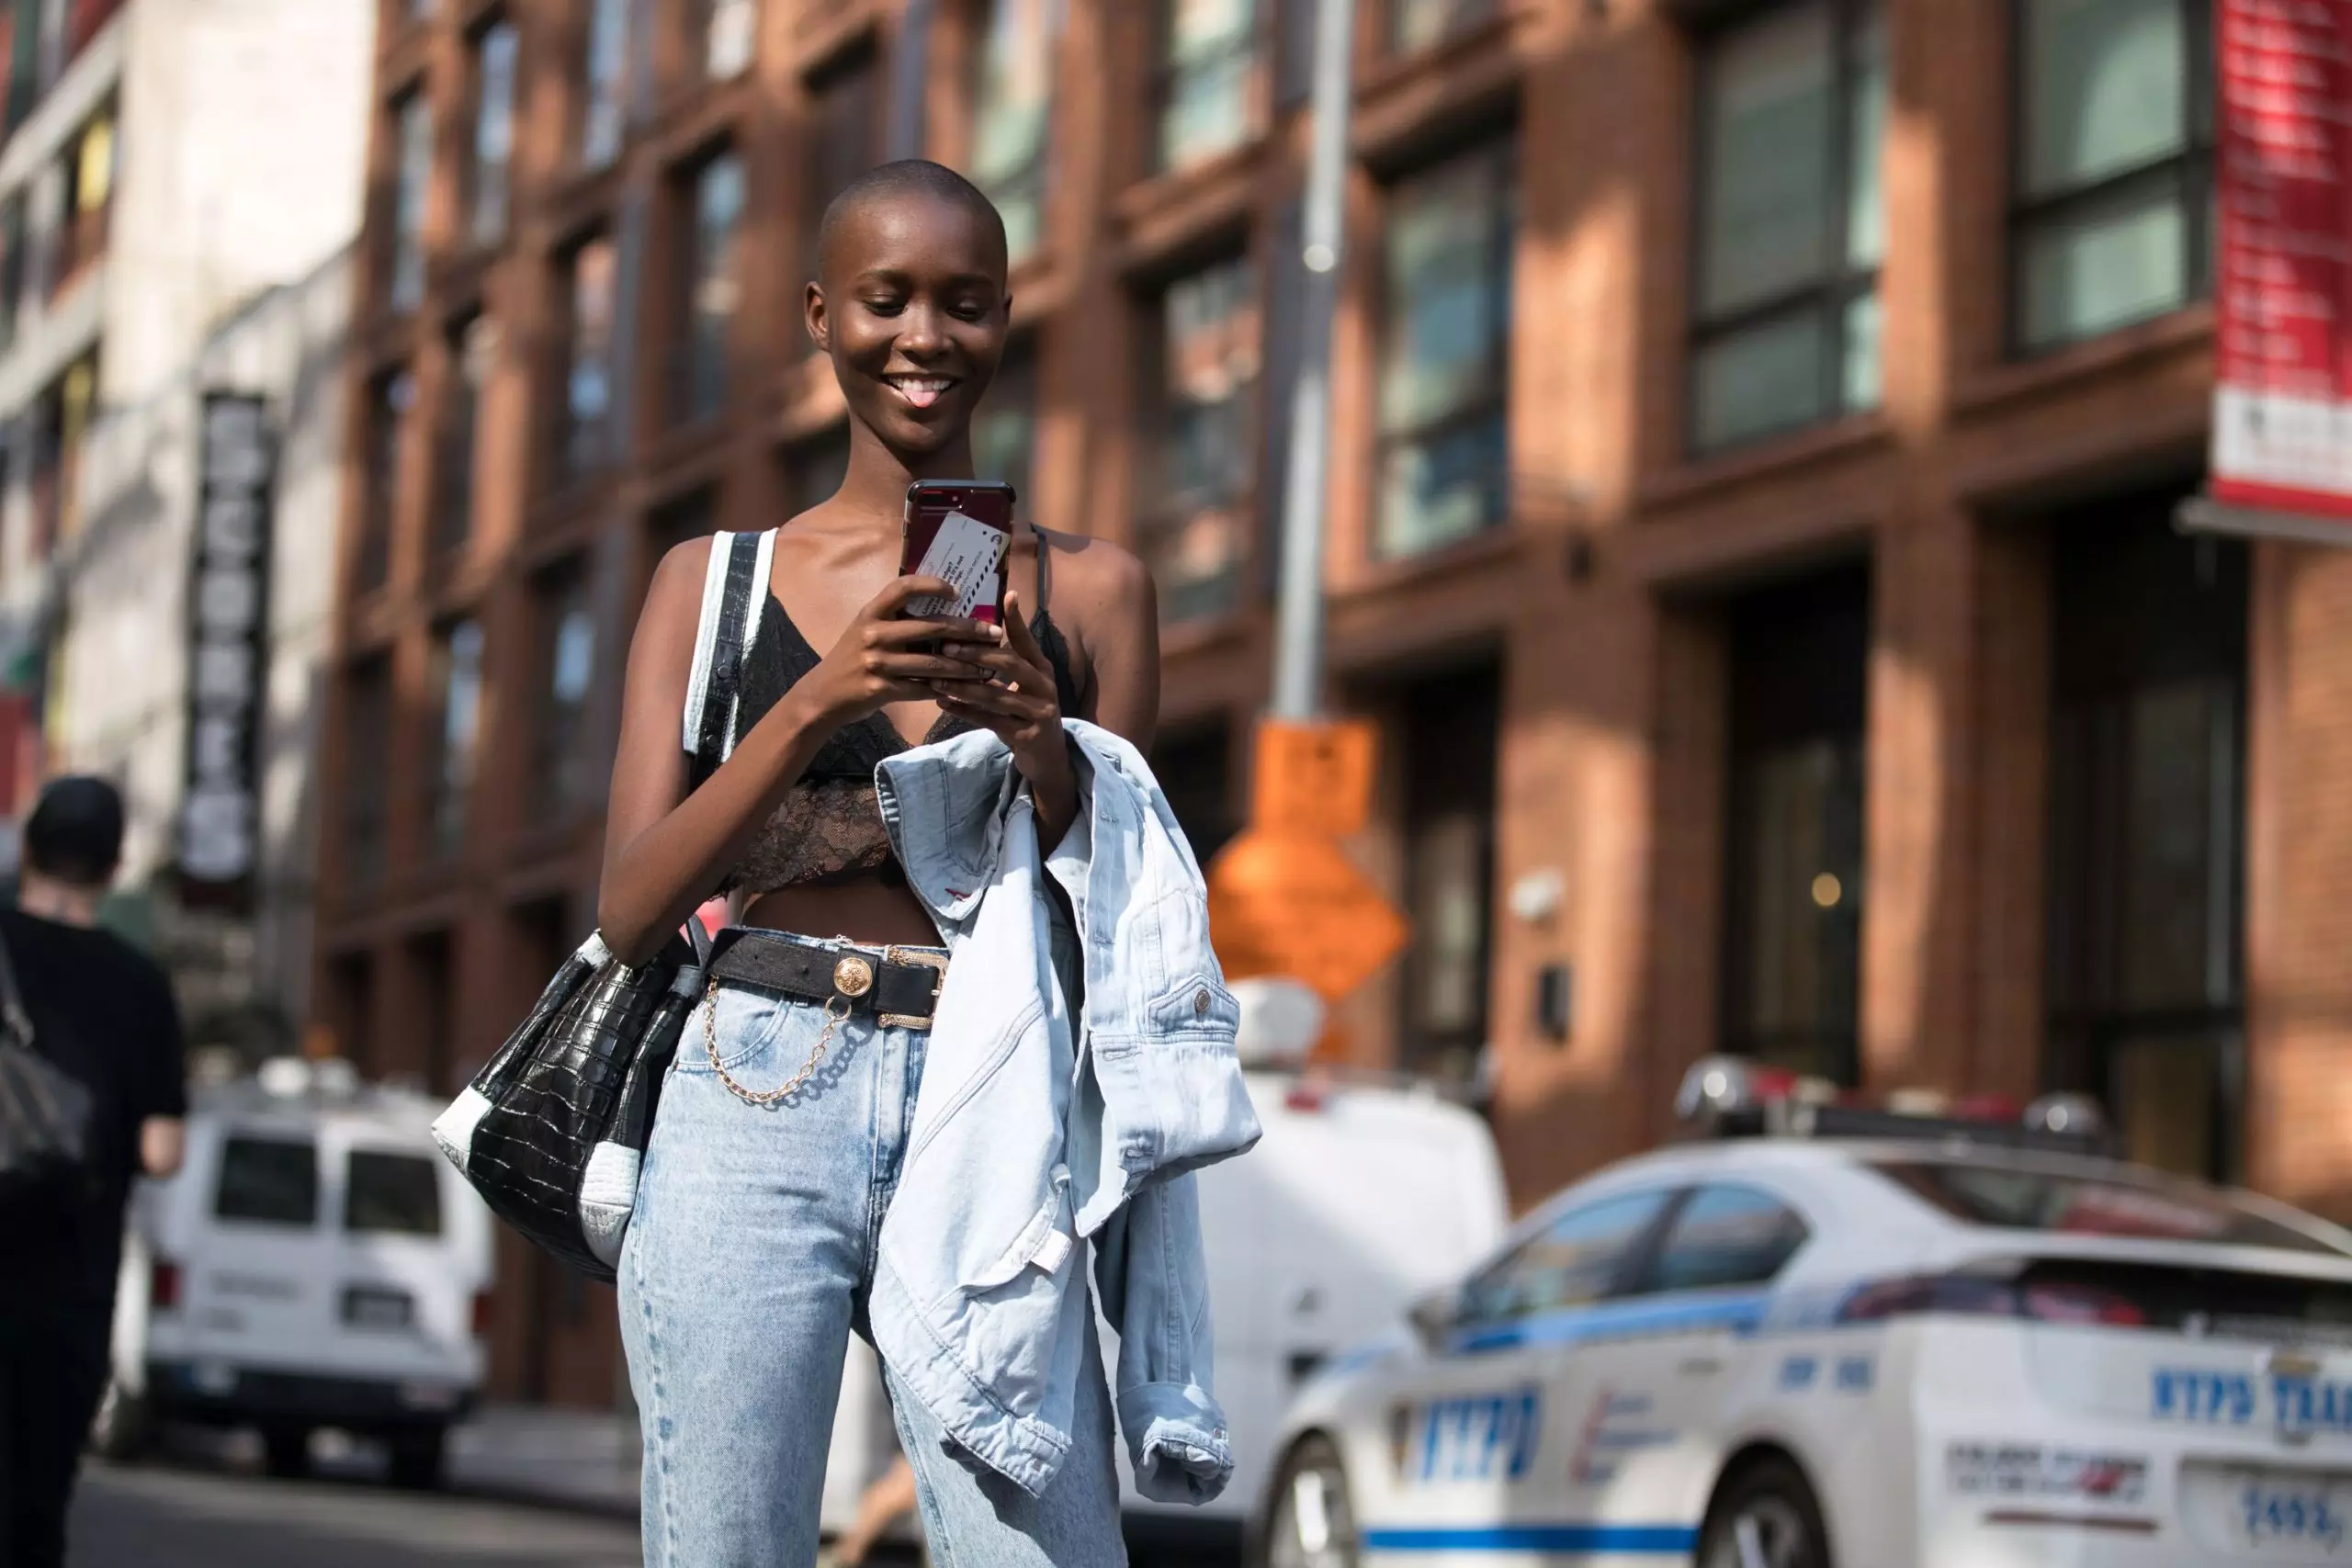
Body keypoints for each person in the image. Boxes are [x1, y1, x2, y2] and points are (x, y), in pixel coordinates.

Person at [597, 159, 1161, 1566]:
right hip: (756, 1075)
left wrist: (1042, 741)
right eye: (887, 299)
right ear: (818, 313)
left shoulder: (1095, 590)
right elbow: (628, 906)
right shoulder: (707, 580)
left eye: (964, 304)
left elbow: (1121, 923)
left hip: (990, 1089)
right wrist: (817, 698)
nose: (925, 336)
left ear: (1006, 320)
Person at [0, 776, 187, 1568]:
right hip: (69, 1284)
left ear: (29, 850)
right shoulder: (140, 984)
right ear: (113, 868)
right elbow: (161, 1152)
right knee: (33, 1509)